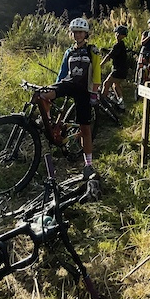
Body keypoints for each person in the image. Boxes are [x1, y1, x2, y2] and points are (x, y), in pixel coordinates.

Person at [39, 17, 102, 202]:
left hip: (84, 90)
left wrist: (95, 92)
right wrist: (54, 86)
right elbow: (62, 72)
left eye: (80, 32)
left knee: (85, 129)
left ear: (86, 34)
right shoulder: (69, 51)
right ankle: (48, 121)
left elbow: (97, 71)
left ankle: (88, 164)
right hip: (68, 84)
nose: (77, 35)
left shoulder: (92, 50)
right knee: (43, 95)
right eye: (74, 32)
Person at [100, 25, 129, 109]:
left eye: (119, 34)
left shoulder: (118, 45)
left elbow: (109, 56)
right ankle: (121, 102)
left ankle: (103, 102)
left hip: (118, 70)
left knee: (106, 83)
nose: (117, 35)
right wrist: (106, 50)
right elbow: (114, 52)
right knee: (115, 85)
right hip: (122, 70)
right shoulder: (120, 44)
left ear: (122, 35)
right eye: (116, 33)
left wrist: (101, 65)